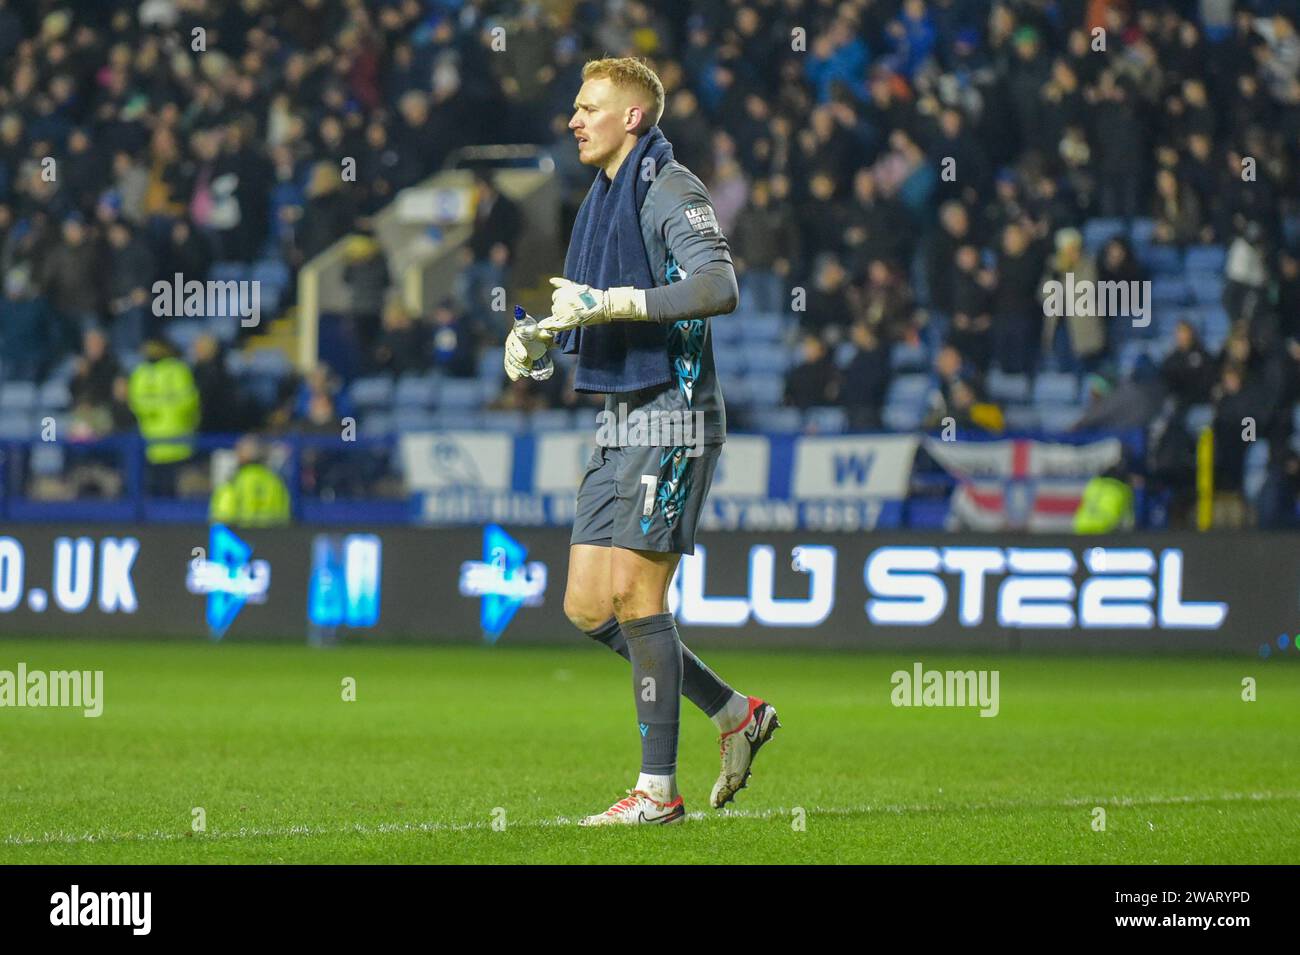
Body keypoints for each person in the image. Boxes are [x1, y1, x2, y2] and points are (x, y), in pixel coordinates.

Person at [502, 57, 778, 826]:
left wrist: (621, 299)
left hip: (675, 411)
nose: (572, 120)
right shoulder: (599, 199)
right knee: (588, 604)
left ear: (632, 118)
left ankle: (657, 792)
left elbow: (718, 286)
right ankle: (734, 713)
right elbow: (590, 310)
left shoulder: (667, 186)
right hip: (621, 412)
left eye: (588, 108)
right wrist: (538, 343)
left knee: (635, 595)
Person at [210, 436, 291, 527]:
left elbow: (223, 517)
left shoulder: (234, 481)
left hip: (241, 538)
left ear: (242, 456)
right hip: (273, 537)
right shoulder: (276, 481)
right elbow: (285, 516)